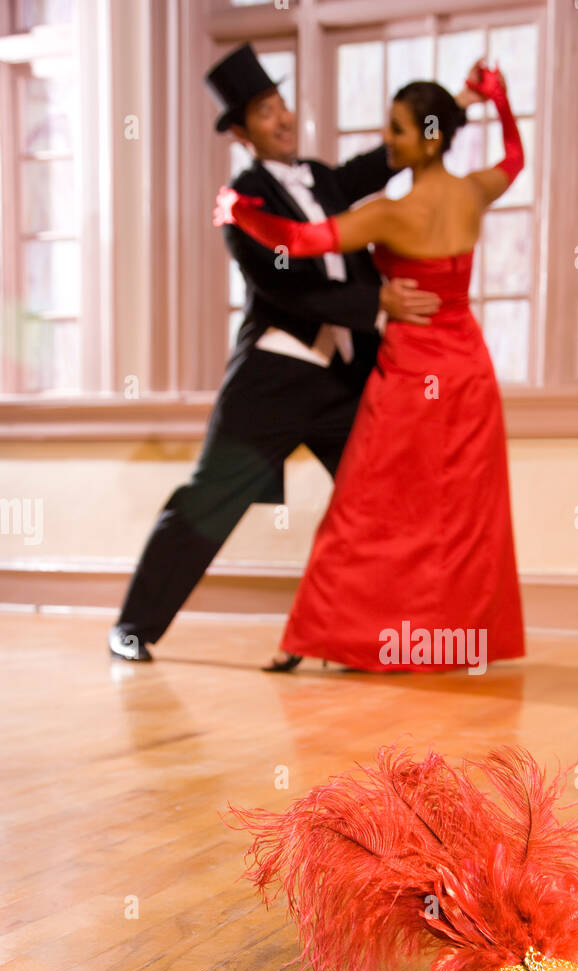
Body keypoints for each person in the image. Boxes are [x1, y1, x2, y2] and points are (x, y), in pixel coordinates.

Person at [108, 43, 441, 663]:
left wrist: (447, 113)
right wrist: (377, 307)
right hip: (274, 379)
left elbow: (376, 167)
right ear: (241, 132)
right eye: (264, 112)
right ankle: (133, 626)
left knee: (378, 502)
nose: (282, 117)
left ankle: (338, 635)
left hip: (344, 382)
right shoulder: (242, 203)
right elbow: (286, 285)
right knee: (209, 502)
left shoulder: (321, 177)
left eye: (281, 103)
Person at [213, 62, 526, 675]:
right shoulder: (475, 191)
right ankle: (442, 642)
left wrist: (238, 211)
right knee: (459, 516)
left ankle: (322, 634)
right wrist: (500, 101)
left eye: (398, 132)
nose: (389, 144)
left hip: (412, 372)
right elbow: (515, 158)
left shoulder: (390, 213)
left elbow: (301, 242)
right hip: (468, 370)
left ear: (429, 139)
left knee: (366, 506)